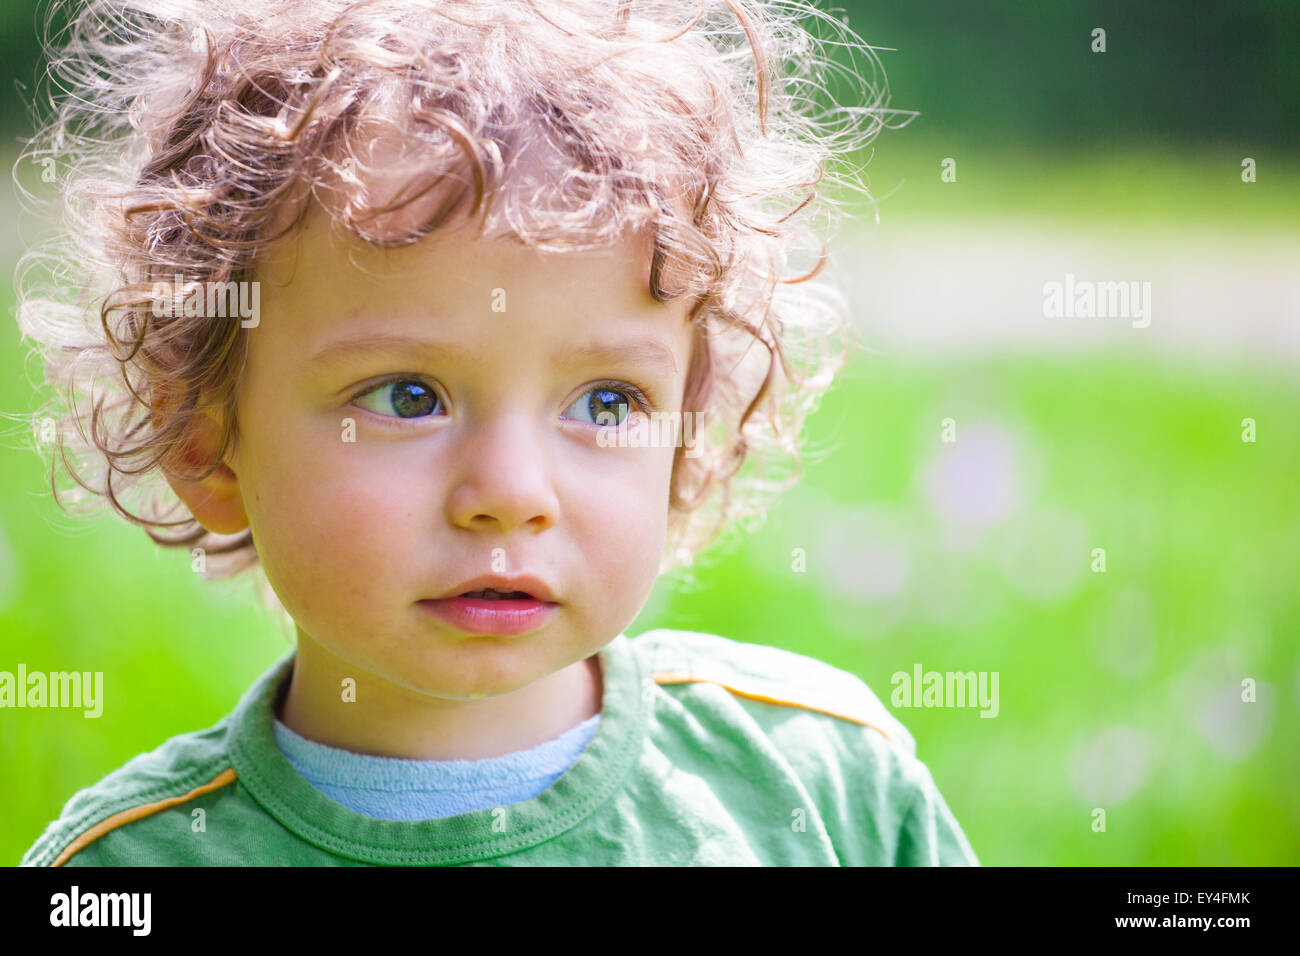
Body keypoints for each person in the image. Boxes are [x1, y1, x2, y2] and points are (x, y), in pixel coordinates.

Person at [17, 0, 976, 866]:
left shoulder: (821, 792)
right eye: (404, 396)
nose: (513, 491)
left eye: (607, 404)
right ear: (202, 441)